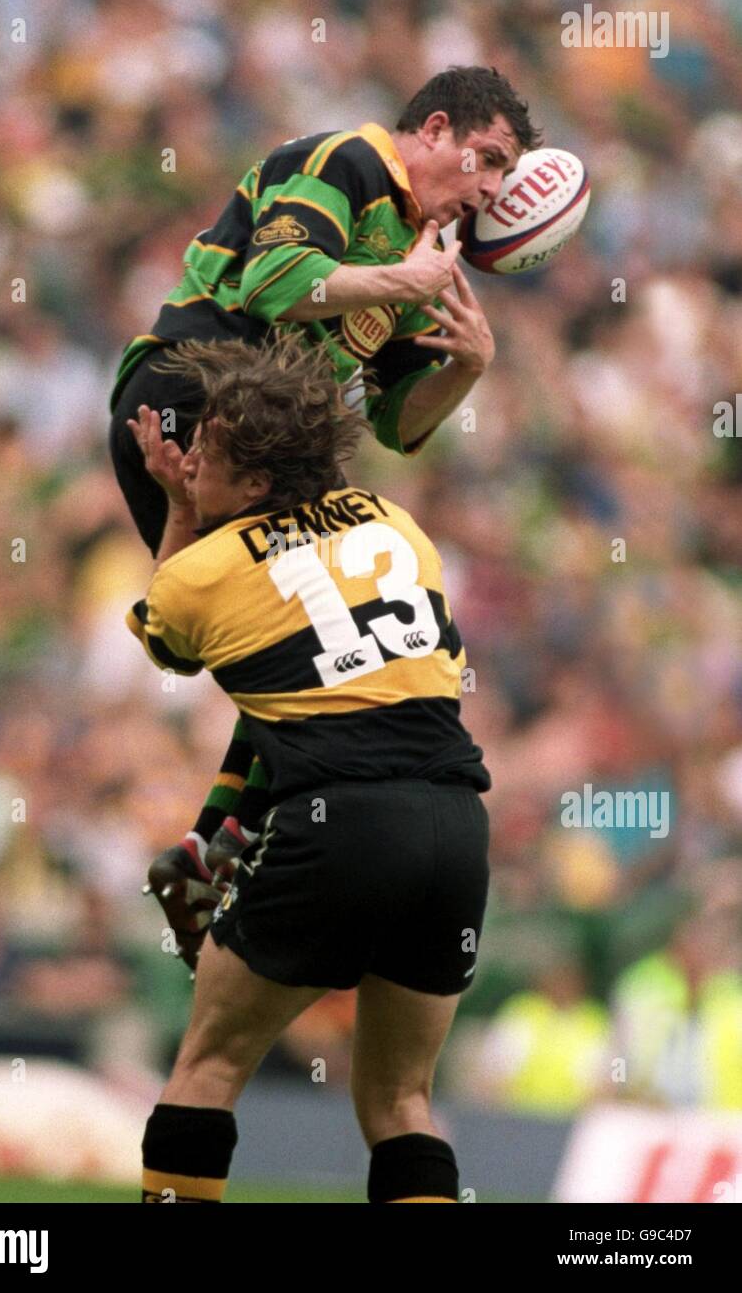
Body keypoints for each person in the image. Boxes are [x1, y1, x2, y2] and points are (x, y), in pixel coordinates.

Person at [112, 66, 538, 888]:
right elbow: (274, 284)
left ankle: (210, 847)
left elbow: (396, 424)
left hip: (273, 437)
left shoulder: (418, 252)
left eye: (503, 176)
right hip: (191, 391)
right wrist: (403, 282)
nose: (486, 190)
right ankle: (225, 839)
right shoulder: (348, 160)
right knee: (309, 637)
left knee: (329, 641)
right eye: (484, 159)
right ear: (436, 128)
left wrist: (467, 371)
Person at [126, 334, 491, 1204]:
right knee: (401, 1100)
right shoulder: (394, 522)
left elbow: (167, 641)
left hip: (336, 828)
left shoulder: (202, 573)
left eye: (204, 451)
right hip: (454, 830)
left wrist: (177, 506)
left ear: (253, 483)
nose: (188, 458)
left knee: (208, 1067)